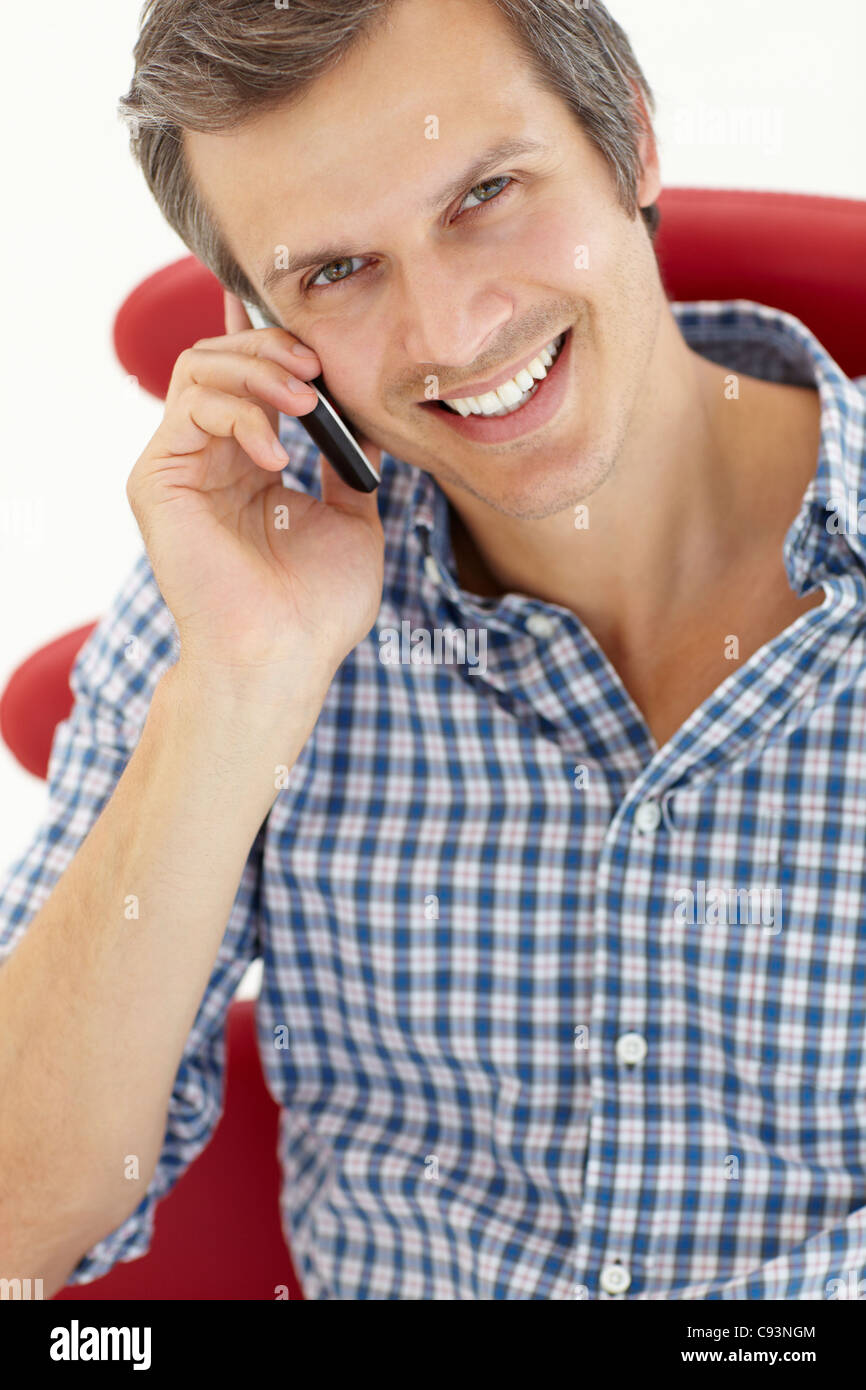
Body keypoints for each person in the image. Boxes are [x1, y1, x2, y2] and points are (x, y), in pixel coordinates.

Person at [1, 0, 864, 1300]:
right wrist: (241, 683)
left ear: (626, 136)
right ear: (258, 326)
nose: (454, 334)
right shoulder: (245, 577)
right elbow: (18, 1218)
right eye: (335, 272)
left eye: (485, 194)